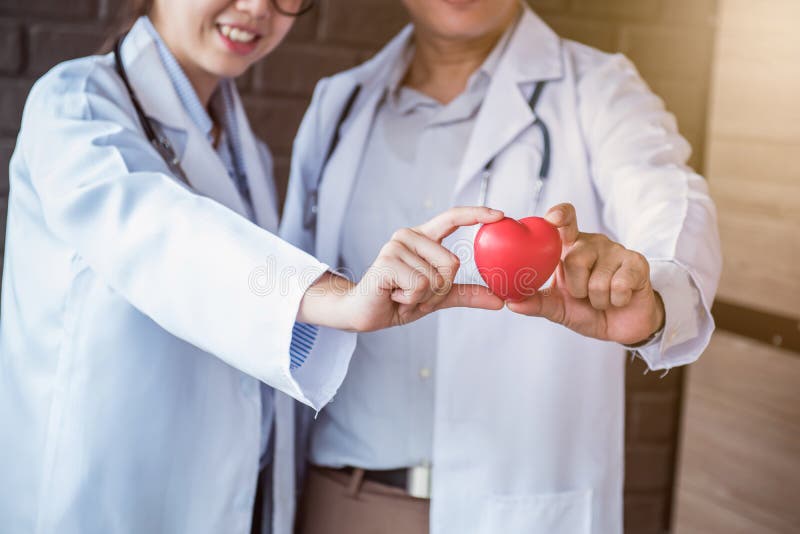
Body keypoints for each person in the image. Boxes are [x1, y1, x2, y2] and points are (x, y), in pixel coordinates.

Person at [0, 0, 506, 532]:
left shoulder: (246, 153)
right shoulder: (74, 106)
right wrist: (336, 298)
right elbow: (159, 232)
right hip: (99, 501)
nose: (257, 9)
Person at [280, 1, 722, 533]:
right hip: (346, 502)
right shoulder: (341, 102)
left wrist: (651, 289)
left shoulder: (598, 88)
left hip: (523, 507)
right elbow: (291, 289)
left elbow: (667, 193)